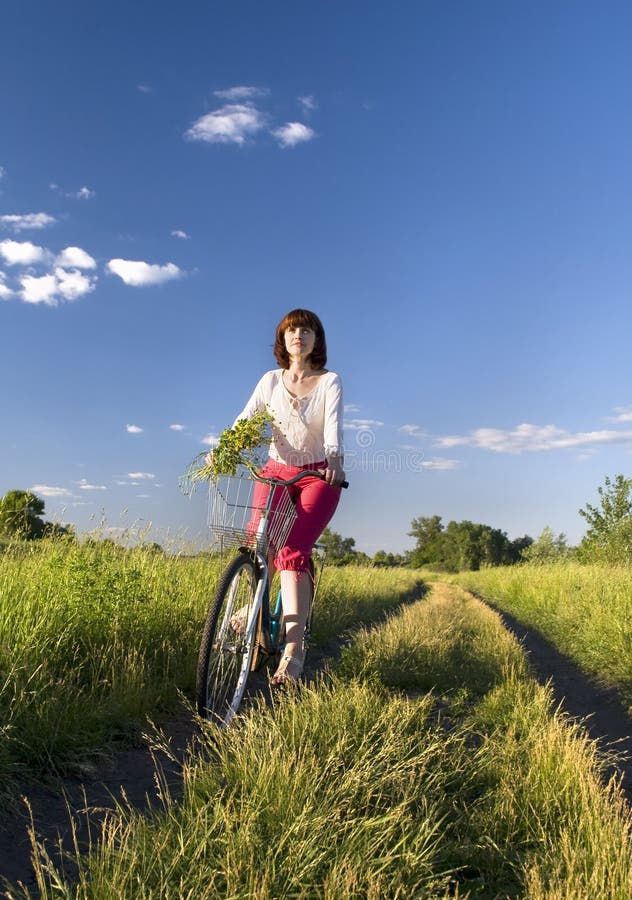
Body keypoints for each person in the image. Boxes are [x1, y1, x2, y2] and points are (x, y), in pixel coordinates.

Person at [208, 308, 345, 686]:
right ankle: (253, 609)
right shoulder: (270, 381)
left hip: (317, 475)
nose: (297, 335)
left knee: (292, 553)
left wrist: (334, 460)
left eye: (305, 329)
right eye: (290, 330)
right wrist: (224, 449)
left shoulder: (330, 382)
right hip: (274, 471)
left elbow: (332, 429)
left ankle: (293, 651)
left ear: (317, 339)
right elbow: (245, 419)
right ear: (282, 341)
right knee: (260, 544)